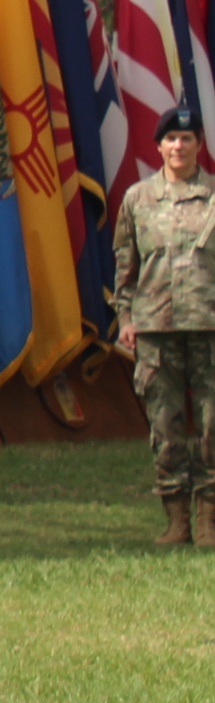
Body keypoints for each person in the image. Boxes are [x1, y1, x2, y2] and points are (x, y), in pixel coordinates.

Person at [112, 105, 215, 546]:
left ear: (199, 145)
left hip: (209, 327)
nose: (179, 146)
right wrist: (125, 318)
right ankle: (176, 521)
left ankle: (209, 521)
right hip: (155, 330)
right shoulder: (138, 200)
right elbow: (125, 266)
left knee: (212, 426)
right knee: (165, 428)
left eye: (187, 138)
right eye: (171, 139)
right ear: (158, 146)